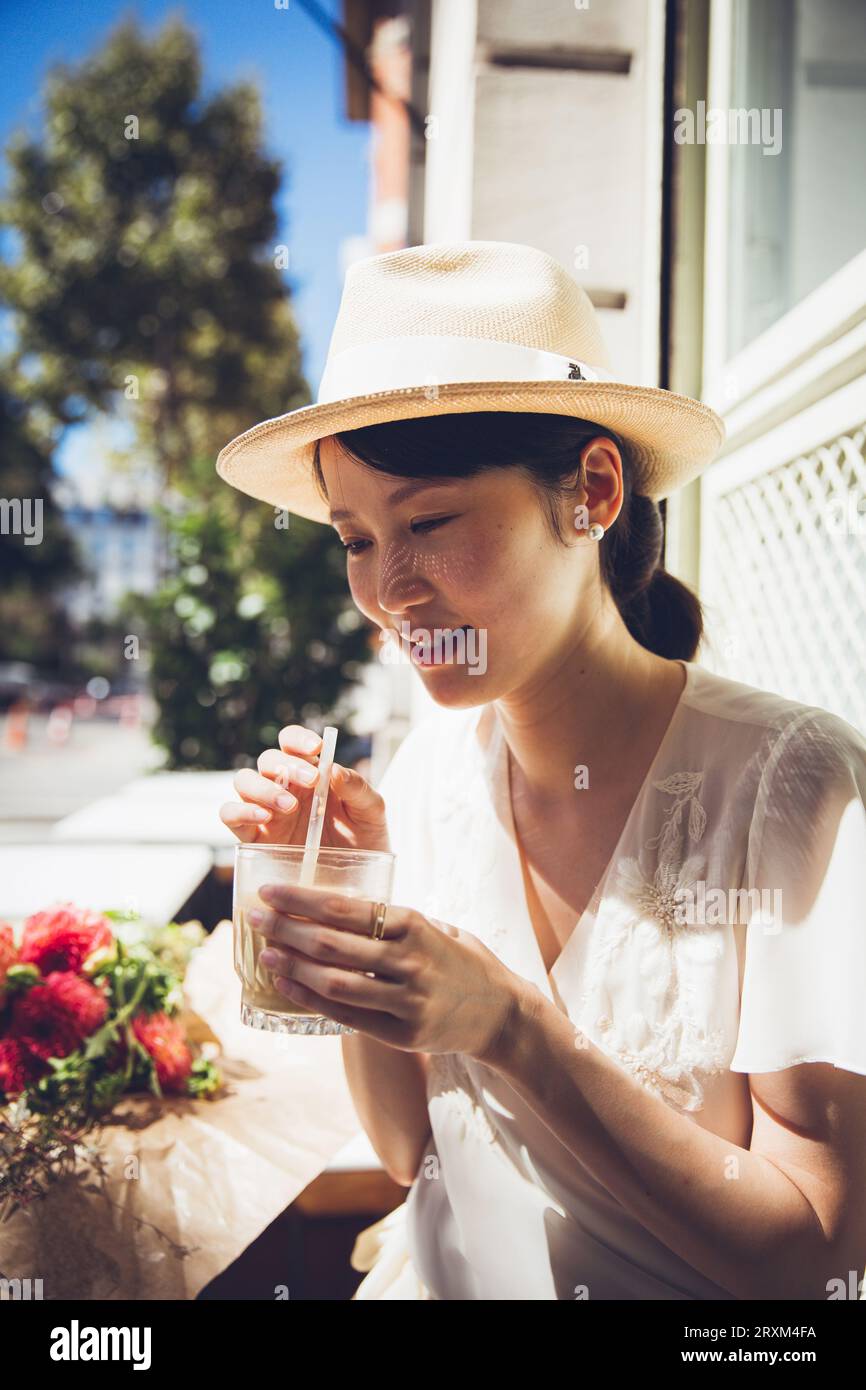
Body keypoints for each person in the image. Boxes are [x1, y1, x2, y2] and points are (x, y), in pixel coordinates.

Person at [217, 240, 866, 1300]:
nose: (389, 589)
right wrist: (349, 911)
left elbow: (811, 1251)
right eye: (352, 540)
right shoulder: (428, 777)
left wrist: (510, 1025)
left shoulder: (791, 784)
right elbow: (405, 1149)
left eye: (427, 522)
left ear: (591, 491)